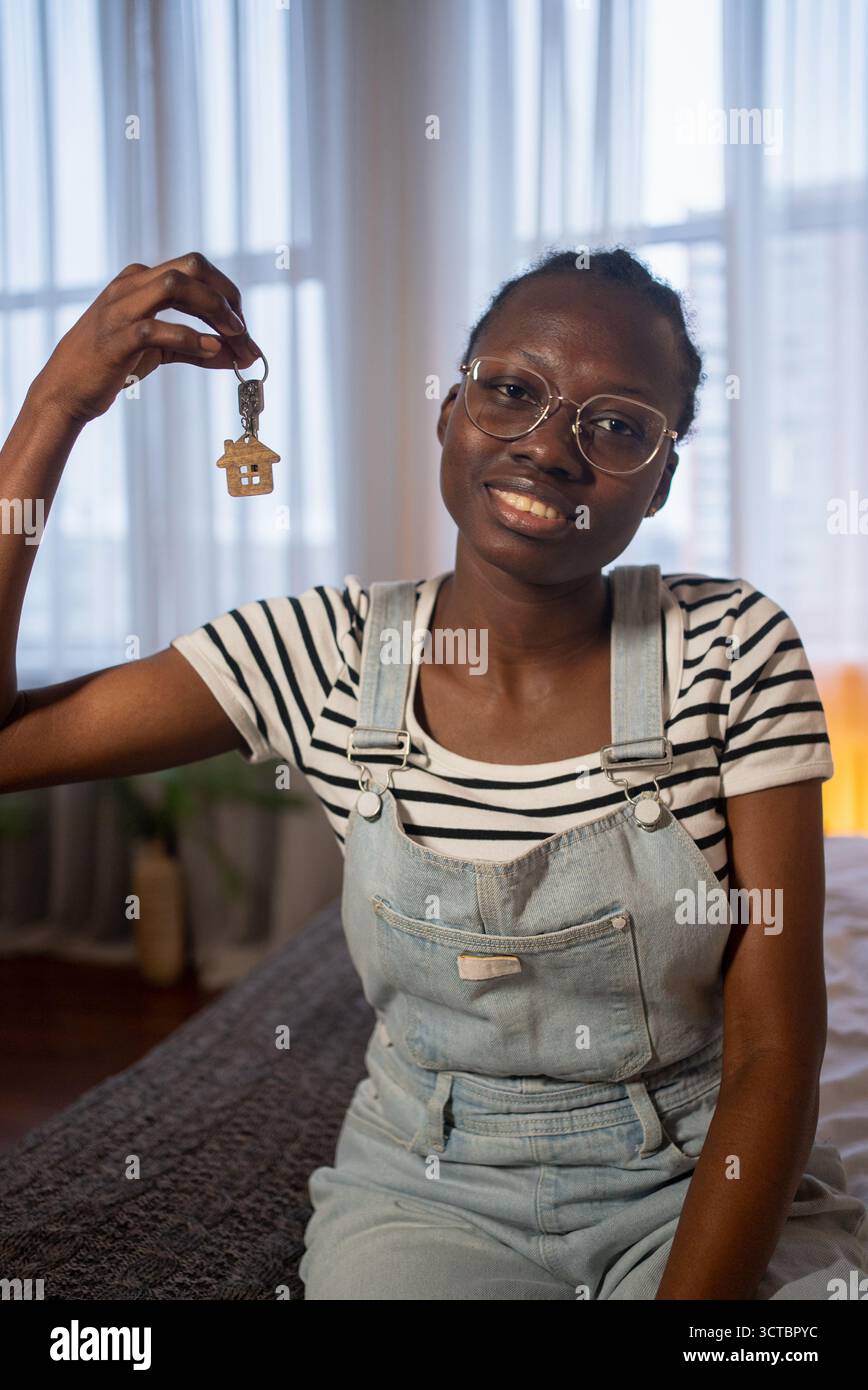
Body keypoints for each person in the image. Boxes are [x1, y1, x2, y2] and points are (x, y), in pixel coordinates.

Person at [1, 248, 866, 1301]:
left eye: (618, 424)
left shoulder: (730, 644)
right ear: (449, 412)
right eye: (511, 392)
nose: (549, 447)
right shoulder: (315, 651)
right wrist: (56, 406)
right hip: (430, 1191)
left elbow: (774, 1050)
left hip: (695, 1173)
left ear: (661, 476)